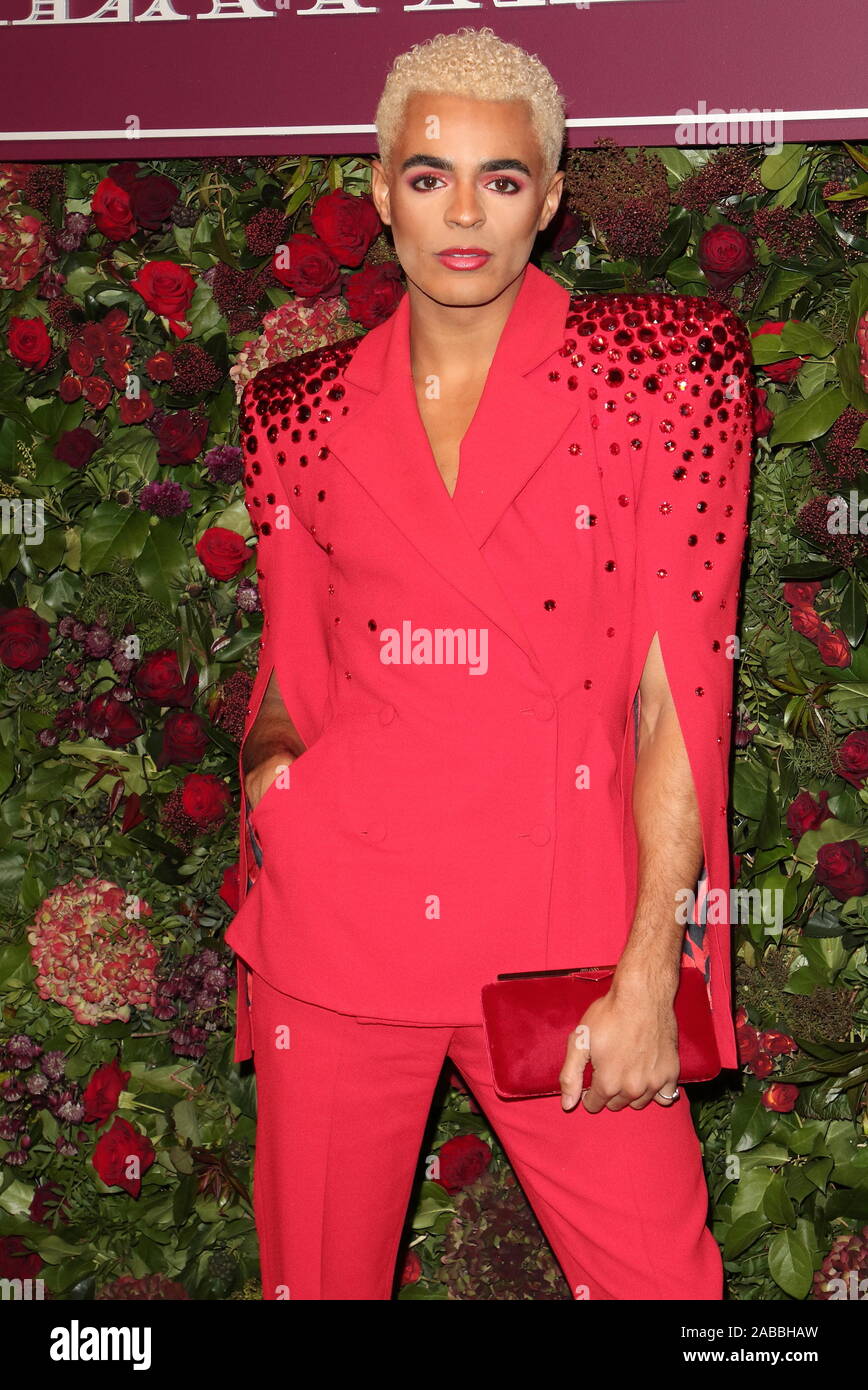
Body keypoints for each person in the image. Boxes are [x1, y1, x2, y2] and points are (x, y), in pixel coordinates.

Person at [226, 25, 755, 1300]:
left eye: (501, 179)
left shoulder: (669, 374)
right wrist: (275, 787)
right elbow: (289, 667)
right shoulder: (291, 410)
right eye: (427, 175)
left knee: (665, 1291)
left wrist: (650, 966)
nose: (463, 212)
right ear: (378, 188)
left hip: (566, 942)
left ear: (551, 198)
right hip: (339, 941)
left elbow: (680, 687)